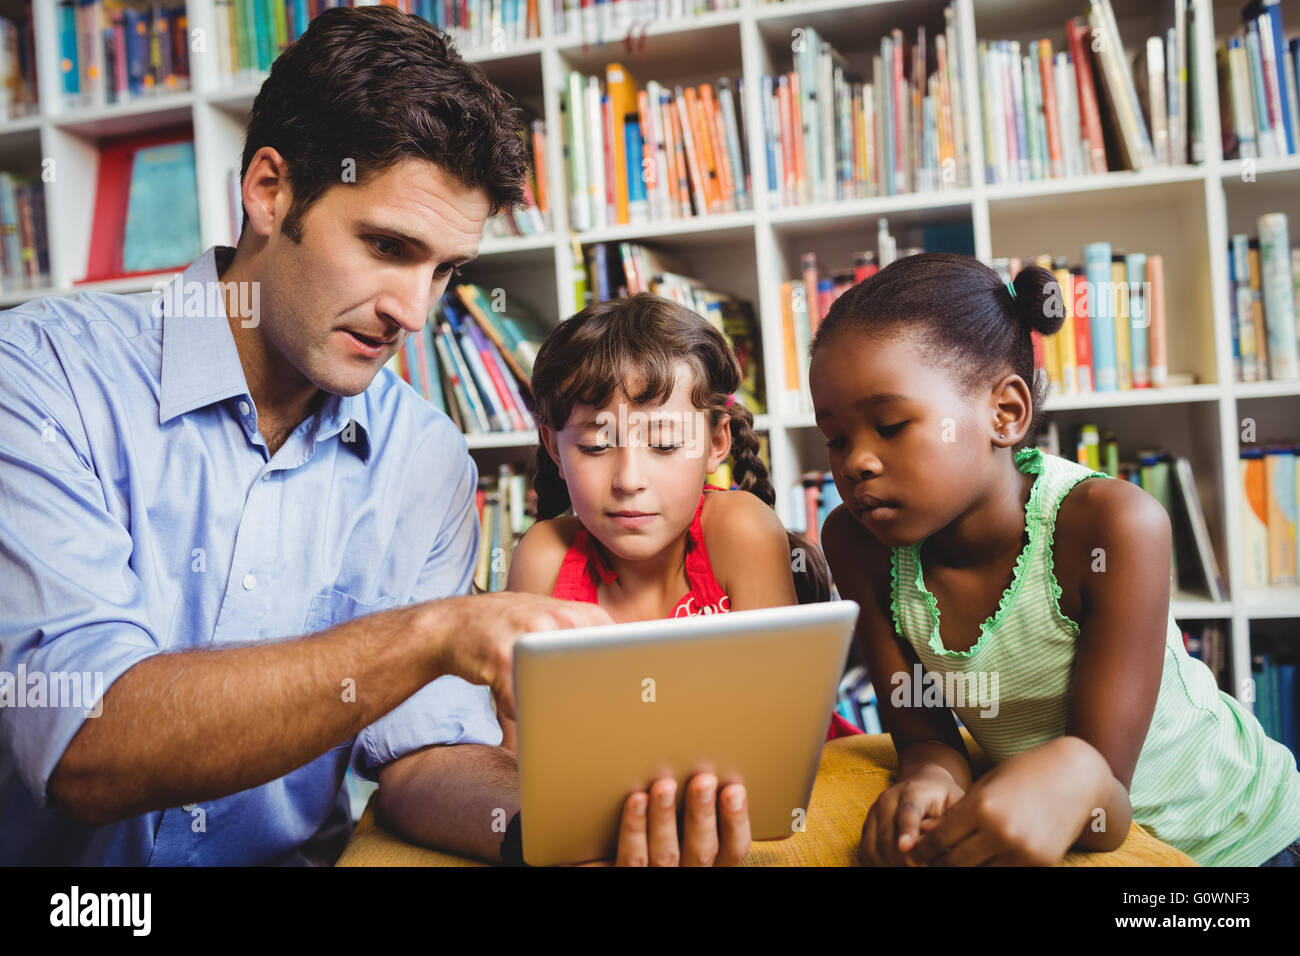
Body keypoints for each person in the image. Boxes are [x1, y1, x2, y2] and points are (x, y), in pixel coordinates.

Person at [0, 7, 721, 867]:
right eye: (387, 245)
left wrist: (579, 825)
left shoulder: (424, 457)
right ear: (270, 190)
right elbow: (85, 748)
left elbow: (420, 759)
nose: (413, 313)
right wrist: (430, 634)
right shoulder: (41, 375)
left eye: (446, 271)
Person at [810, 252, 1300, 867]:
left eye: (890, 423)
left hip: (1243, 838)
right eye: (835, 437)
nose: (855, 462)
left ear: (1005, 413)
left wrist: (1061, 784)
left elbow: (1102, 798)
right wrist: (930, 780)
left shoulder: (1110, 526)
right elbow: (923, 736)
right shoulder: (858, 544)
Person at [504, 294, 848, 865]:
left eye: (664, 444)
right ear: (553, 448)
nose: (629, 479)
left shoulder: (739, 530)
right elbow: (520, 760)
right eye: (594, 445)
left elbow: (778, 733)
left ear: (716, 443)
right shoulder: (542, 557)